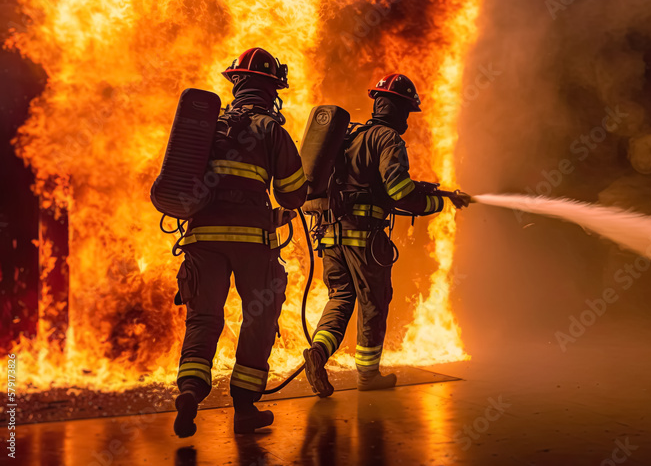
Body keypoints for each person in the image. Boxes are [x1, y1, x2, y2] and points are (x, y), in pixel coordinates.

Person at [302, 73, 472, 397]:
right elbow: (398, 191)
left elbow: (363, 185)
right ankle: (367, 376)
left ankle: (318, 353)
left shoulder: (349, 135)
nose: (407, 118)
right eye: (407, 111)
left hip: (329, 235)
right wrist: (436, 203)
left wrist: (440, 192)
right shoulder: (387, 139)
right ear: (397, 109)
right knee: (373, 304)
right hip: (364, 240)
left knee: (340, 299)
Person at [172, 47, 307, 437]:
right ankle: (245, 408)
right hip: (252, 242)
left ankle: (190, 391)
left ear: (236, 86)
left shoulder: (205, 127)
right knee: (259, 316)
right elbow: (293, 194)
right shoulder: (271, 130)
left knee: (204, 318)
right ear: (271, 90)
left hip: (202, 238)